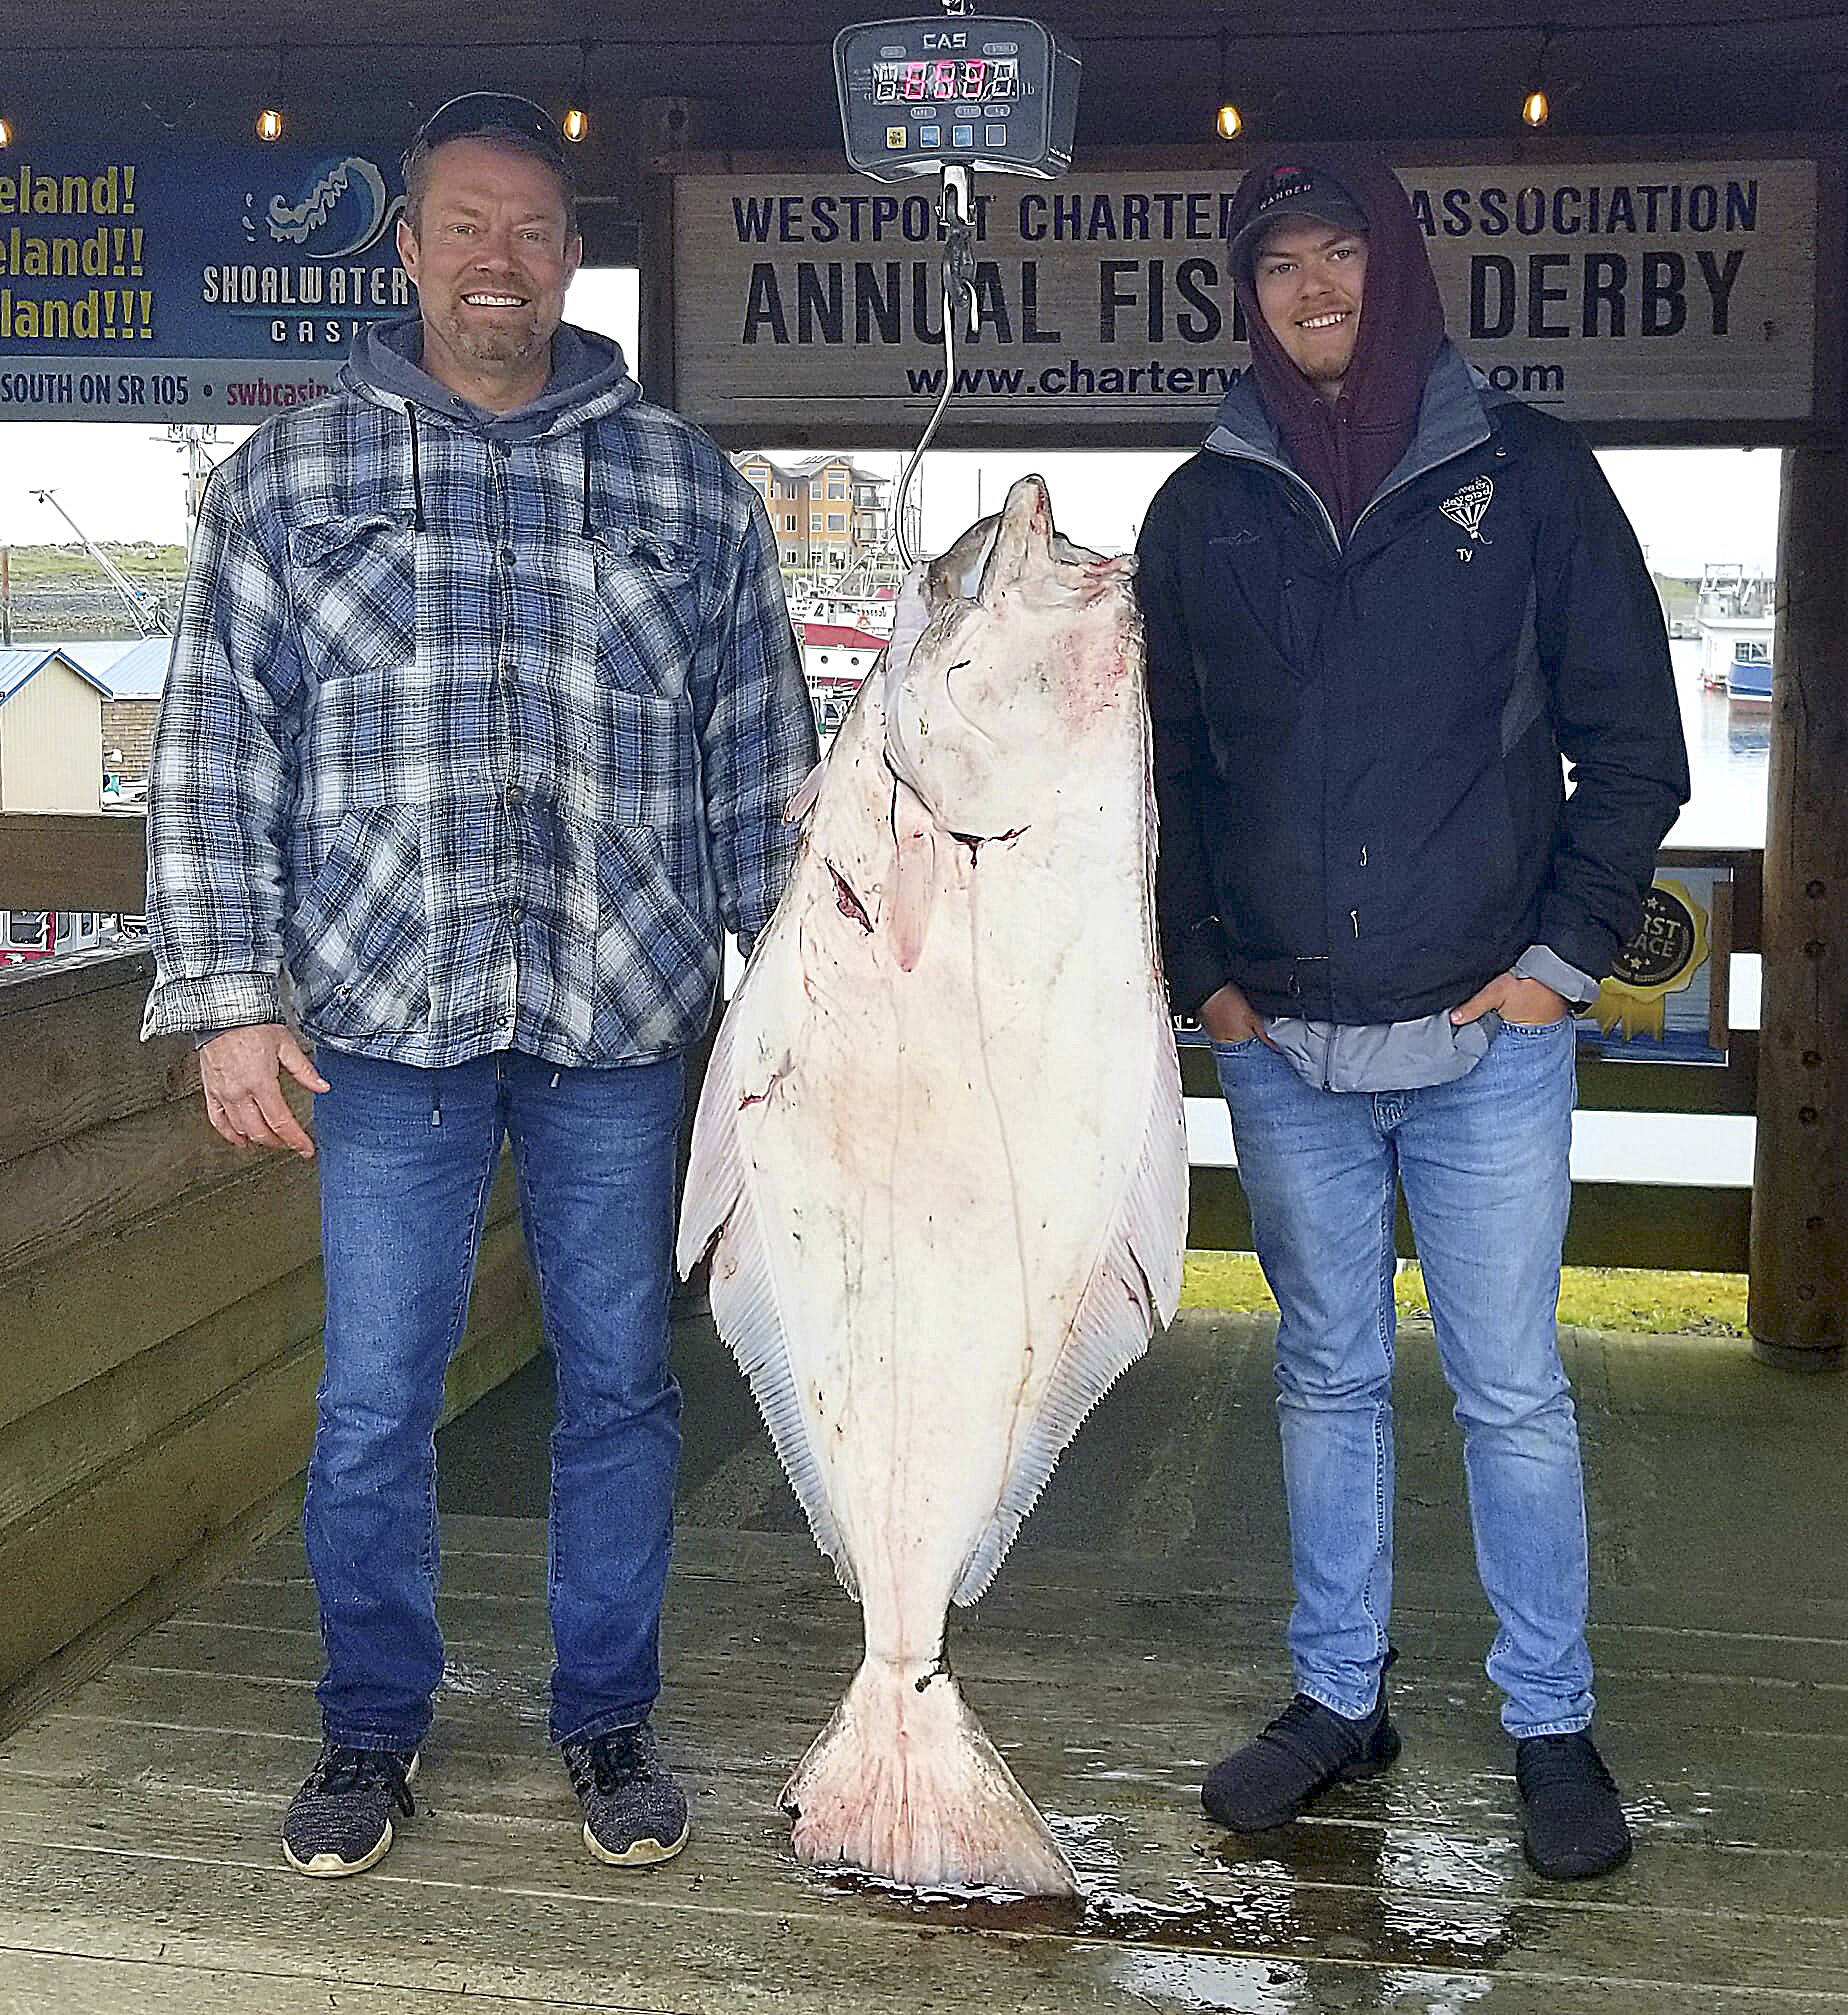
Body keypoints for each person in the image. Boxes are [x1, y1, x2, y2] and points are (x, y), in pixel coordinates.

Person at [142, 93, 818, 1880]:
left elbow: (764, 774)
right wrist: (229, 996)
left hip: (625, 1026)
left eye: (529, 229)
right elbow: (213, 751)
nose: (496, 260)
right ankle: (371, 1727)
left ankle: (608, 1718)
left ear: (573, 256)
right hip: (381, 1026)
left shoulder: (690, 488)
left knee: (622, 1387)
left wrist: (804, 1023)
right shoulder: (283, 483)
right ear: (409, 248)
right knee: (376, 1397)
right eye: (464, 225)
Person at [1137, 148, 1689, 1881]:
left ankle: (1552, 1722)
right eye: (1280, 265)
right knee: (1326, 1375)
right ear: (1248, 296)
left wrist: (1557, 964)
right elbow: (1159, 778)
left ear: (1402, 272)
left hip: (1487, 1044)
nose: (1316, 290)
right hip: (1285, 1046)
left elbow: (1636, 751)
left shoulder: (1530, 478)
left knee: (1511, 1389)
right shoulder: (1199, 509)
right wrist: (1206, 980)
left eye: (1344, 255)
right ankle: (1337, 1698)